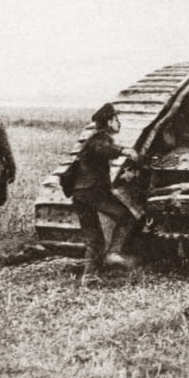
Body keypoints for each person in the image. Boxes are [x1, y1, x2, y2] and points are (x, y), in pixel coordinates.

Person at [69, 102, 140, 286]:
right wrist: (124, 151)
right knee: (126, 217)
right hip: (92, 192)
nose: (119, 123)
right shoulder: (100, 138)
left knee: (94, 239)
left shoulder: (94, 139)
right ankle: (113, 253)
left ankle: (89, 276)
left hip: (80, 194)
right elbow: (101, 148)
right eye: (116, 120)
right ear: (109, 122)